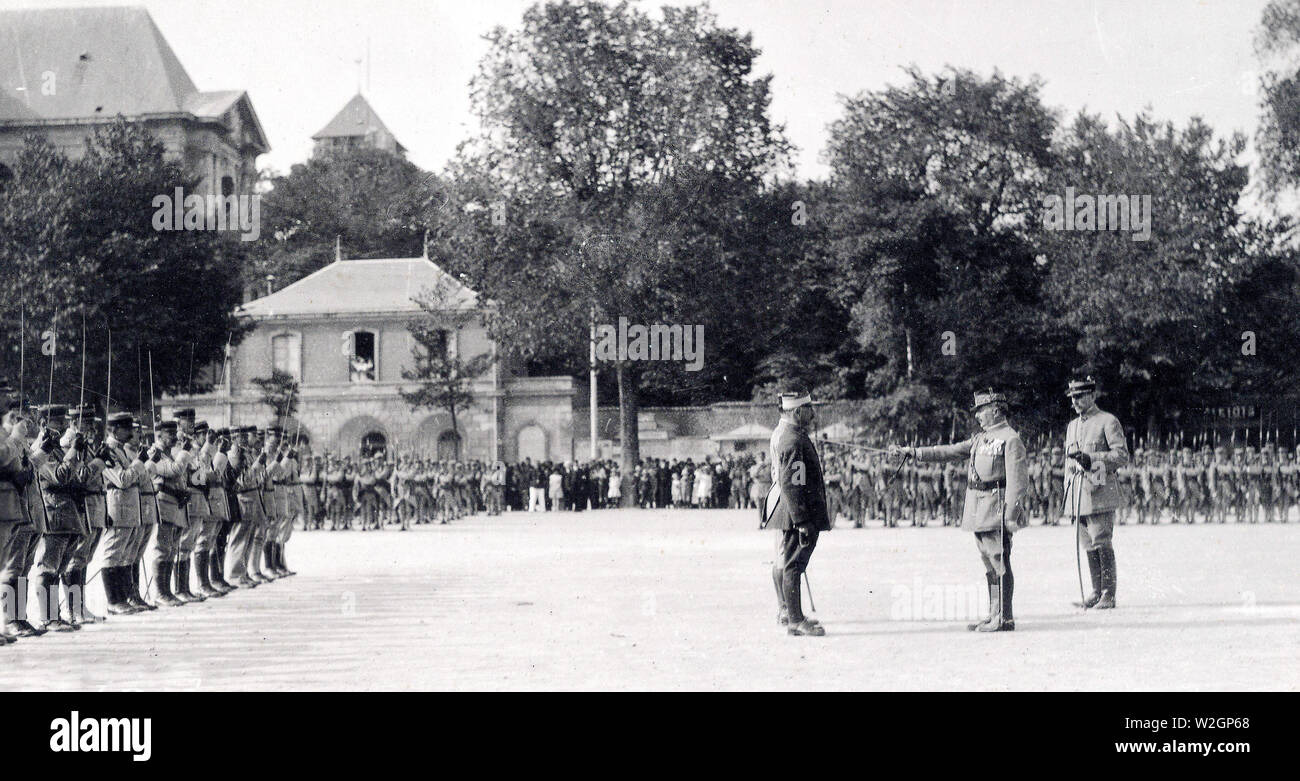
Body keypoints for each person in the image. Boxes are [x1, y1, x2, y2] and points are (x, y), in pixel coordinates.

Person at [894, 390, 1028, 632]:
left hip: (996, 509)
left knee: (1000, 562)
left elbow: (1018, 482)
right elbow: (949, 451)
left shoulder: (1010, 439)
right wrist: (913, 452)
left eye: (981, 411)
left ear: (996, 410)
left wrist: (1011, 515)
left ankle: (1005, 617)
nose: (977, 416)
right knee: (989, 565)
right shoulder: (980, 438)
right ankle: (994, 612)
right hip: (979, 509)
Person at [762, 387, 831, 637]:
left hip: (796, 513)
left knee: (792, 565)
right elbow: (793, 485)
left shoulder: (794, 435)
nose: (812, 414)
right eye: (809, 409)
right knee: (792, 566)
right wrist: (802, 520)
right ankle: (795, 620)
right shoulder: (793, 440)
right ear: (799, 411)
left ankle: (794, 616)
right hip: (796, 515)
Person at [1062, 376, 1129, 610]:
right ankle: (1096, 591)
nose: (1075, 401)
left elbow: (1121, 456)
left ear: (1092, 395)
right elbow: (1068, 463)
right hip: (1078, 496)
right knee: (1088, 544)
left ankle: (1109, 594)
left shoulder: (1107, 421)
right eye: (1072, 398)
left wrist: (1092, 459)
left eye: (1079, 396)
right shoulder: (1072, 426)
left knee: (1102, 541)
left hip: (1100, 493)